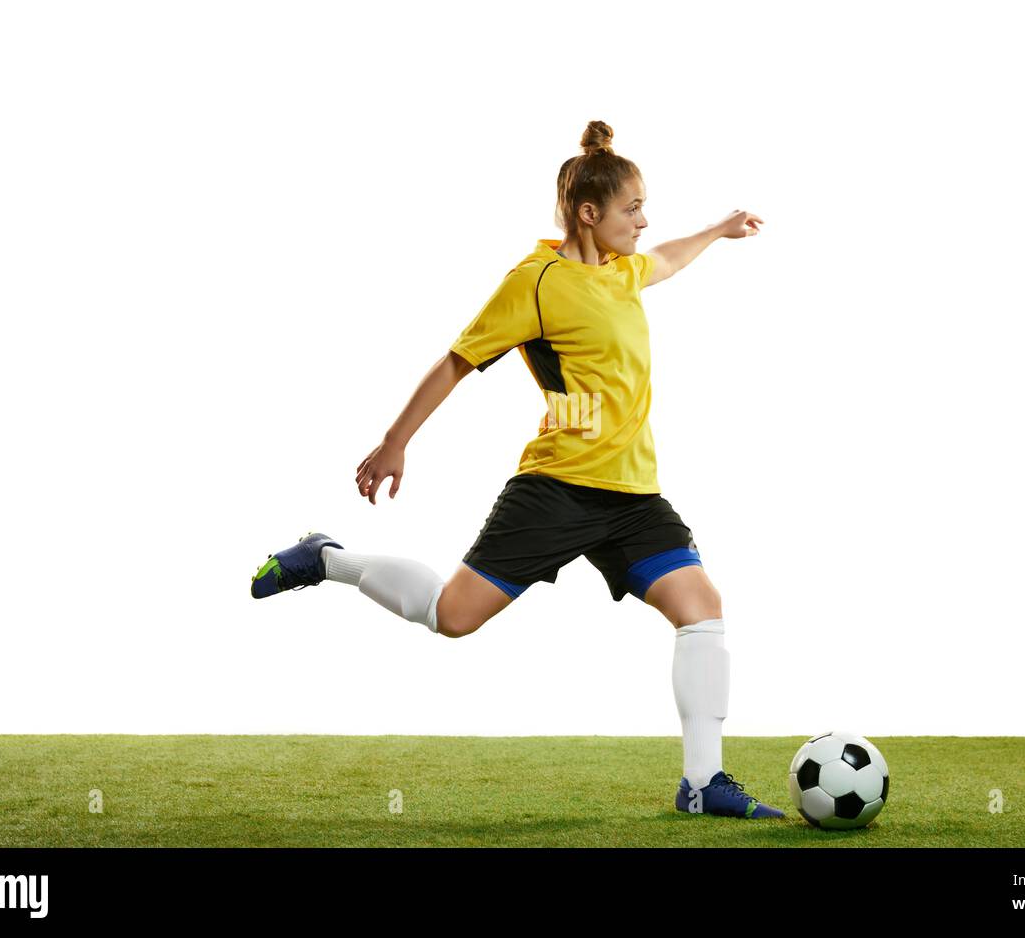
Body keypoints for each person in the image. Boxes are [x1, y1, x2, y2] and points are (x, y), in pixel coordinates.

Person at [250, 120, 780, 819]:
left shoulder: (624, 272)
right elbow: (457, 360)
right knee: (452, 615)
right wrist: (393, 441)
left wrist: (718, 229)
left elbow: (670, 259)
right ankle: (328, 557)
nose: (645, 221)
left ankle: (702, 782)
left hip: (633, 496)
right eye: (633, 208)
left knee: (702, 607)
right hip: (556, 489)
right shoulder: (534, 282)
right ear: (589, 214)